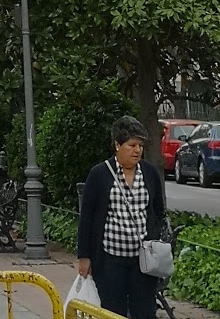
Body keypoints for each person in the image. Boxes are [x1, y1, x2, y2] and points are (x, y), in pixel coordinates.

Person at [77, 116, 168, 319]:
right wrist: (84, 256)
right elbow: (87, 218)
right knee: (112, 311)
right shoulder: (99, 174)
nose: (137, 151)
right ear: (117, 145)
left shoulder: (150, 173)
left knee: (144, 312)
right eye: (132, 145)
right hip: (110, 260)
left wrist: (153, 237)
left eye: (141, 146)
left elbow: (158, 210)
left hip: (143, 263)